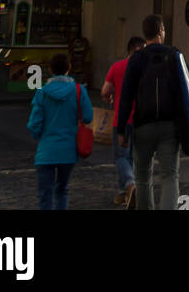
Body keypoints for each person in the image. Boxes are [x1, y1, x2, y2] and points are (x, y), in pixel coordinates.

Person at [116, 14, 184, 211]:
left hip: (142, 124)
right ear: (162, 30)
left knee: (143, 175)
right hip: (169, 125)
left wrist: (121, 129)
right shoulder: (174, 55)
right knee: (170, 175)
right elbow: (187, 90)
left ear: (144, 33)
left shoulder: (137, 59)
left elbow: (126, 96)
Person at [27, 51, 93, 211]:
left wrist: (38, 135)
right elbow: (88, 117)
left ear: (50, 69)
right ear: (69, 68)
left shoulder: (42, 93)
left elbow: (34, 124)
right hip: (68, 151)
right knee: (62, 190)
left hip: (46, 151)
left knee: (45, 194)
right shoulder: (78, 90)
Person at [101, 35, 145, 207]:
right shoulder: (145, 68)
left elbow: (105, 91)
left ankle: (129, 184)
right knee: (133, 157)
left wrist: (109, 98)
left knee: (120, 156)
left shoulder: (117, 67)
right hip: (141, 120)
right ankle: (123, 193)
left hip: (121, 119)